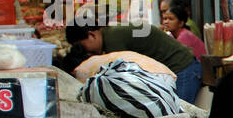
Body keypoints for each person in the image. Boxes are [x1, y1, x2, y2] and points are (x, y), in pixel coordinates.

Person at [65, 19, 202, 103]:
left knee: (179, 117)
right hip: (177, 67)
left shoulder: (113, 39)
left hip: (183, 67)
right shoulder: (110, 35)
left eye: (82, 46)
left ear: (92, 35)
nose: (87, 52)